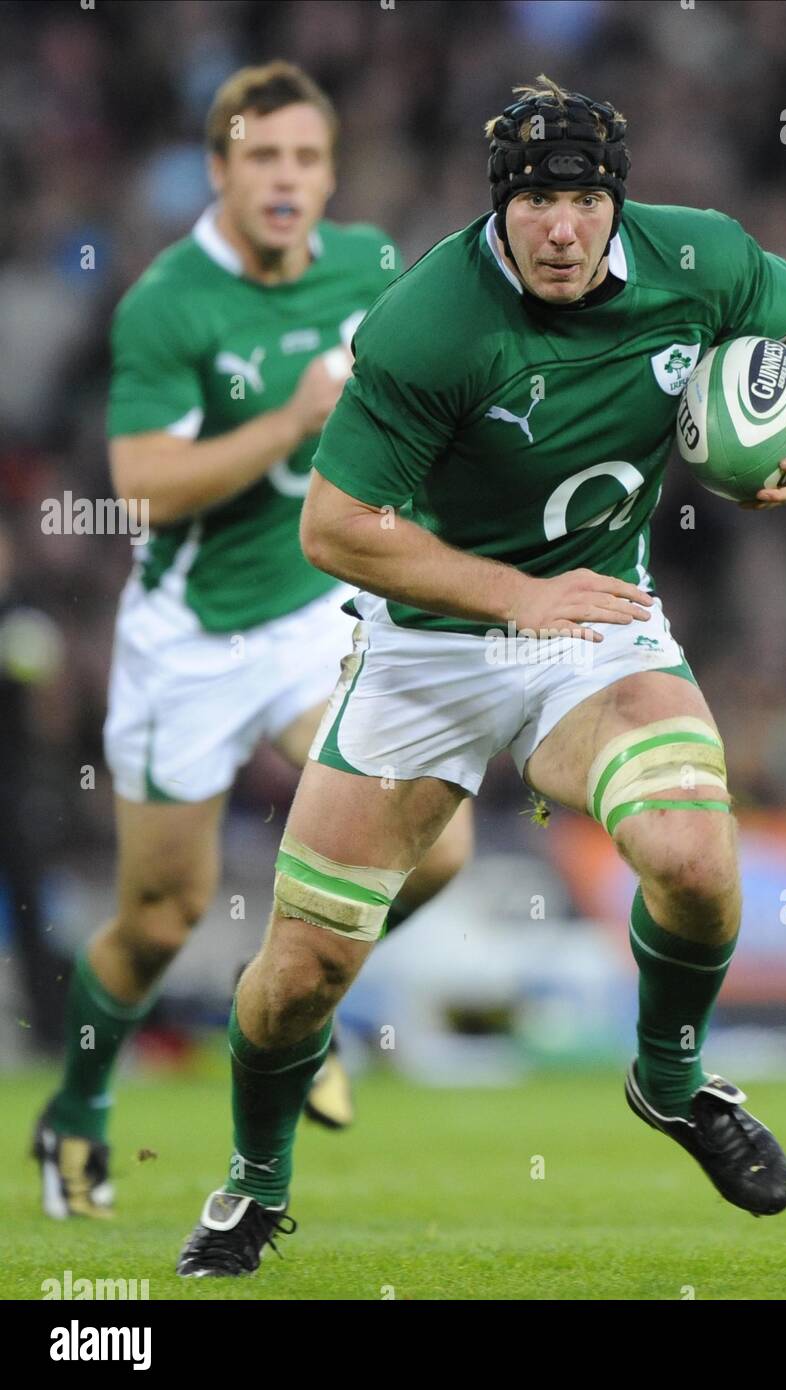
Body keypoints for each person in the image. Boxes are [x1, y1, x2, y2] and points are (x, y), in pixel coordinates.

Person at [176, 75, 786, 1276]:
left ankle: (668, 1081)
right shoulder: (427, 322)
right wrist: (514, 594)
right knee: (300, 975)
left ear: (616, 200)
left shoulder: (697, 259)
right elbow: (337, 529)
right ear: (500, 208)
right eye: (537, 200)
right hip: (423, 645)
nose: (561, 225)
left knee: (696, 860)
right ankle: (252, 1182)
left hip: (596, 627)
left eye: (583, 197)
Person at [33, 61, 472, 1220]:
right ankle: (76, 1107)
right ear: (220, 169)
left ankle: (284, 991)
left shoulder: (370, 265)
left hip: (306, 618)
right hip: (188, 638)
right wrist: (288, 419)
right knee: (156, 918)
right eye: (262, 158)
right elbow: (142, 489)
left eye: (305, 159)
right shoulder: (169, 301)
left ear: (330, 173)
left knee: (436, 846)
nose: (286, 180)